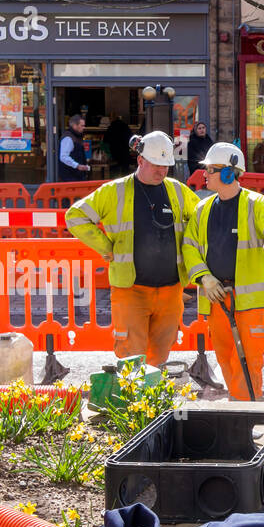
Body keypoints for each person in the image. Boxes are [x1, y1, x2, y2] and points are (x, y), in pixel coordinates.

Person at [66, 131, 201, 368]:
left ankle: (152, 403)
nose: (161, 171)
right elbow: (75, 216)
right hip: (132, 291)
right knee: (132, 359)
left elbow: (203, 218)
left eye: (166, 166)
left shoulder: (177, 191)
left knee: (159, 357)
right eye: (156, 165)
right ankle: (134, 403)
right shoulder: (115, 191)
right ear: (140, 161)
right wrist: (106, 247)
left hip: (171, 291)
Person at [182, 142, 264, 401]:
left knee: (249, 358)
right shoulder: (202, 209)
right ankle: (237, 405)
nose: (204, 174)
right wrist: (205, 279)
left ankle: (247, 413)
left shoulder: (256, 204)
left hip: (247, 302)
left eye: (210, 169)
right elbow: (189, 246)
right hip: (217, 298)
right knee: (226, 358)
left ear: (229, 173)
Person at [59, 114, 92, 180]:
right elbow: (63, 157)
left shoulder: (76, 136)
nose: (84, 127)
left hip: (76, 176)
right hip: (70, 177)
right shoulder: (68, 138)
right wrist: (77, 166)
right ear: (75, 126)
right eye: (82, 125)